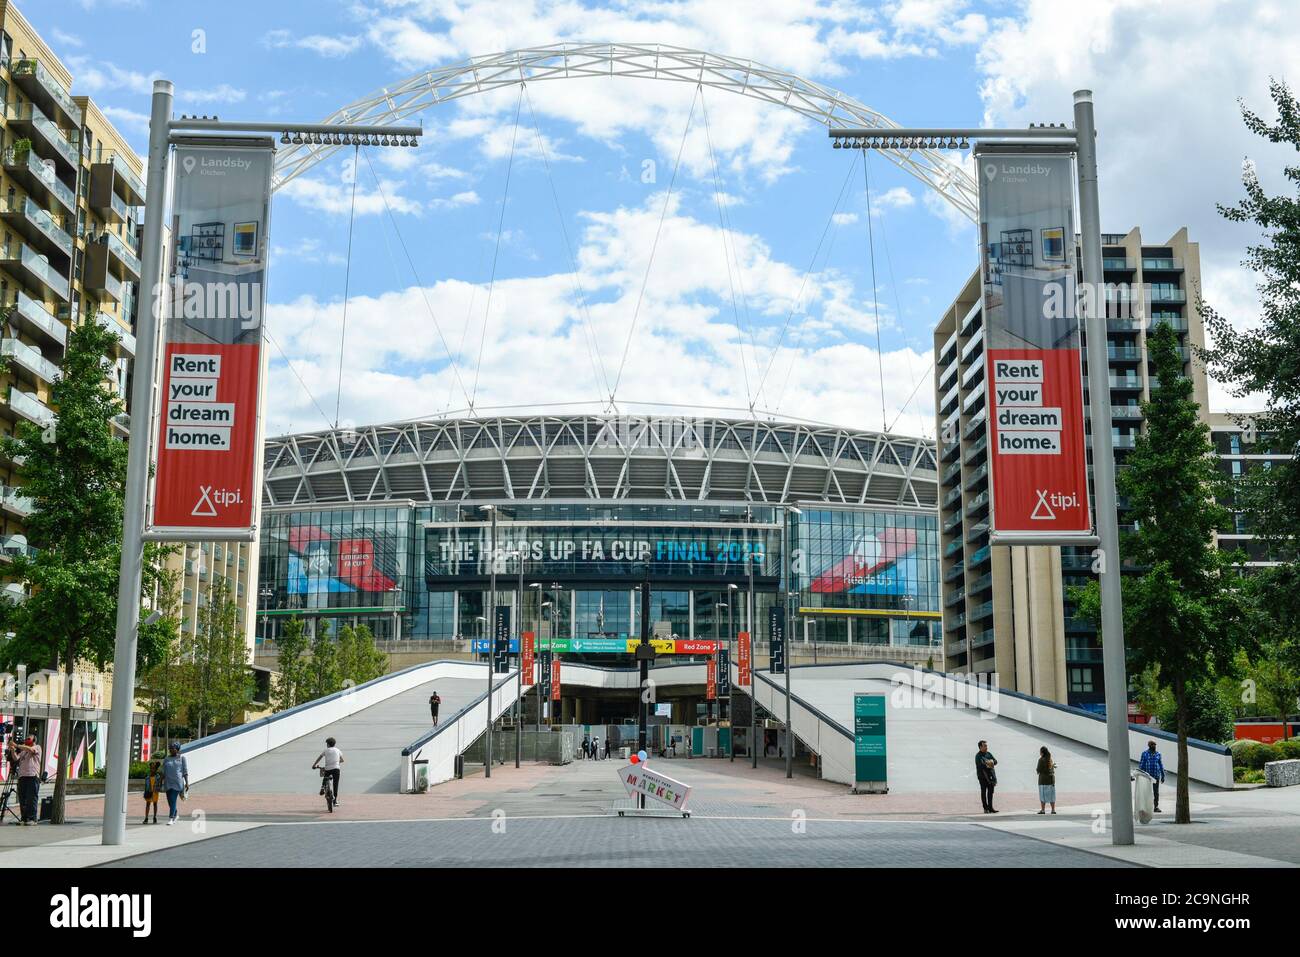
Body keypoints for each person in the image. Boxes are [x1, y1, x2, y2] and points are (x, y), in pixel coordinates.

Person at [13, 735, 42, 826]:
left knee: (31, 798)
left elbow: (31, 750)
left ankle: (32, 819)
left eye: (28, 738)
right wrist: (12, 749)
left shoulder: (37, 747)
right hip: (22, 777)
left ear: (34, 740)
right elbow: (16, 758)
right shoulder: (23, 751)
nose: (26, 740)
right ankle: (24, 818)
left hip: (32, 776)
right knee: (23, 799)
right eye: (26, 739)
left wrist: (17, 745)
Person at [161, 743, 189, 826]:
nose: (171, 750)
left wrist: (187, 783)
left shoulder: (182, 758)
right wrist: (159, 781)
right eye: (170, 748)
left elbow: (185, 771)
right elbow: (163, 771)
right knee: (170, 801)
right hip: (168, 782)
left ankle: (171, 818)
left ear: (177, 749)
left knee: (173, 800)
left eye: (173, 748)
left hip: (177, 783)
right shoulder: (166, 759)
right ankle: (176, 814)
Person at [312, 737, 344, 807]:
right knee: (335, 784)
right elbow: (342, 760)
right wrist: (336, 762)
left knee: (325, 777)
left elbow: (319, 758)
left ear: (328, 744)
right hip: (336, 769)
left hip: (328, 768)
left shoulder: (326, 750)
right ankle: (335, 801)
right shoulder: (338, 750)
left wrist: (314, 765)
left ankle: (323, 787)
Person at [1138, 739, 1166, 813]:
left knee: (1156, 792)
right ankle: (1146, 807)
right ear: (1149, 746)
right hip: (1147, 776)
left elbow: (1160, 764)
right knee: (1147, 792)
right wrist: (1140, 773)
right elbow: (1141, 764)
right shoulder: (1144, 754)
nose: (1154, 746)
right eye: (1152, 745)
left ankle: (1156, 807)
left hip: (1156, 776)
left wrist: (1163, 775)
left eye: (1155, 745)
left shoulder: (1158, 754)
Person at [975, 740, 998, 813]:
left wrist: (990, 762)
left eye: (986, 746)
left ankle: (991, 807)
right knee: (984, 792)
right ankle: (985, 808)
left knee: (990, 792)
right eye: (985, 746)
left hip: (991, 776)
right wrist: (990, 763)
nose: (986, 747)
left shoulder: (989, 754)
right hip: (982, 777)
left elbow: (995, 761)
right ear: (980, 747)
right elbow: (982, 766)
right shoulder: (978, 756)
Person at [1036, 746, 1057, 815]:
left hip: (1043, 780)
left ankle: (1043, 810)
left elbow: (1038, 770)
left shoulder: (1041, 760)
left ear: (1042, 753)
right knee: (1052, 795)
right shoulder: (1050, 759)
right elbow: (1052, 769)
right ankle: (1053, 810)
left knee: (1043, 795)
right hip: (1050, 780)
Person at [142, 759, 164, 825]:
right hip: (149, 792)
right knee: (147, 804)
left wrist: (158, 788)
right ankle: (146, 818)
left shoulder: (158, 777)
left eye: (153, 768)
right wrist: (145, 792)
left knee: (155, 804)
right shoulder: (147, 777)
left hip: (155, 792)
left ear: (156, 769)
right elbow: (146, 786)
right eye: (151, 768)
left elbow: (160, 783)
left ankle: (155, 817)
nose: (152, 770)